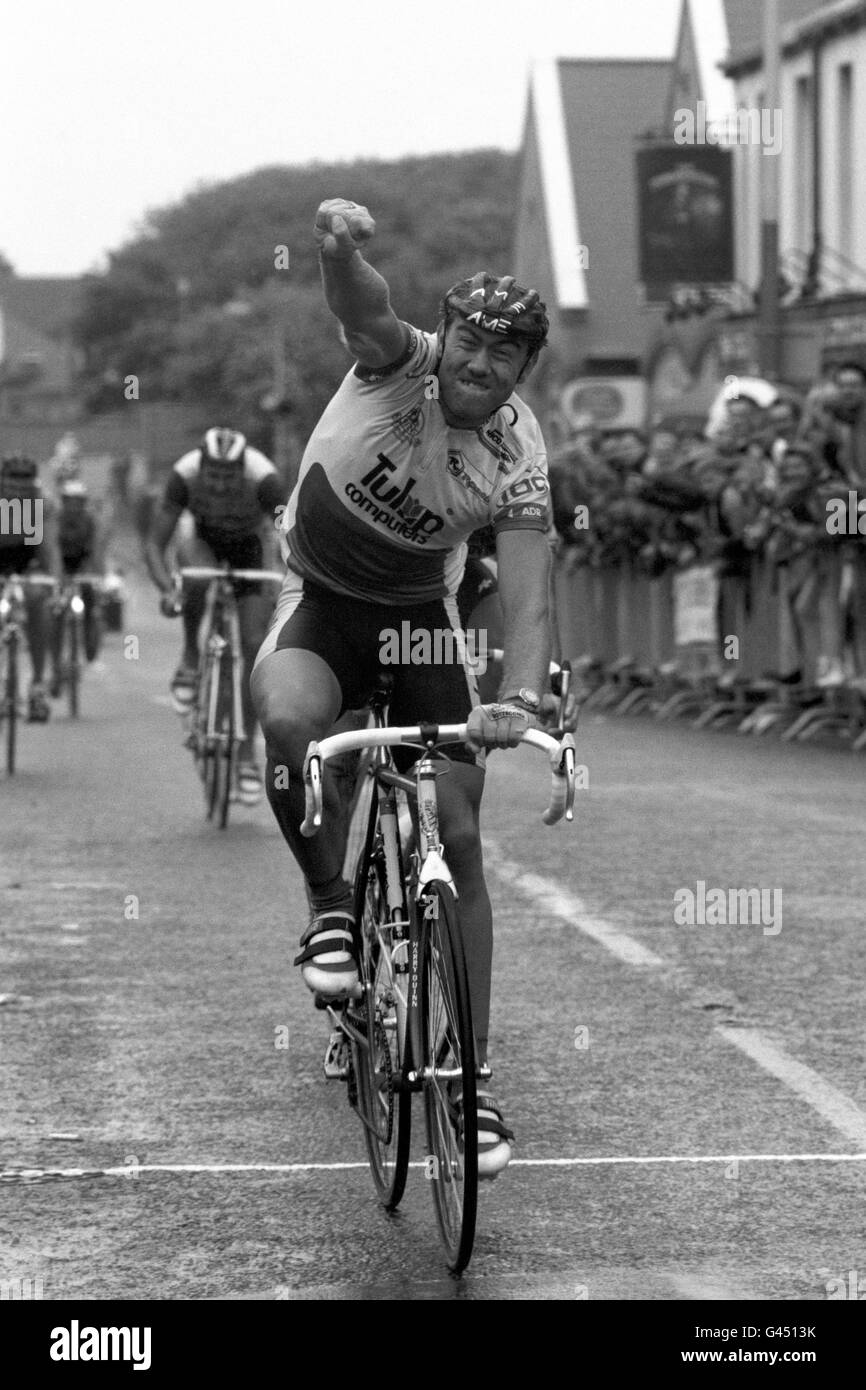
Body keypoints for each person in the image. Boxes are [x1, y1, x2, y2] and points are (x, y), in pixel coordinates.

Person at [251, 197, 560, 1178]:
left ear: (520, 369)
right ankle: (331, 903)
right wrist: (337, 252)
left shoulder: (519, 452)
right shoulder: (400, 362)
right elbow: (363, 309)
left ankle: (465, 1079)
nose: (476, 362)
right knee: (293, 722)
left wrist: (515, 695)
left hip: (418, 627)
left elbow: (525, 597)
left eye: (499, 354)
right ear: (450, 337)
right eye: (467, 340)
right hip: (322, 605)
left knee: (460, 832)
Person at [145, 427, 285, 805]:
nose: (221, 485)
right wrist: (168, 589)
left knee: (256, 644)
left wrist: (287, 590)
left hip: (250, 548)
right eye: (213, 476)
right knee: (196, 579)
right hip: (202, 542)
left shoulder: (266, 479)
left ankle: (244, 757)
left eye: (229, 476)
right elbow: (155, 546)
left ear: (242, 471)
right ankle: (191, 654)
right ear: (200, 468)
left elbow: (291, 542)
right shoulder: (182, 475)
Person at [0, 455, 62, 720]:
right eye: (14, 484)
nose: (19, 491)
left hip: (29, 562)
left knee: (39, 601)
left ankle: (37, 684)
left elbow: (50, 548)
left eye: (25, 484)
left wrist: (55, 584)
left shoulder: (42, 503)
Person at [49, 477, 105, 688]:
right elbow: (52, 546)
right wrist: (56, 575)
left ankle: (90, 645)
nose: (74, 506)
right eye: (70, 501)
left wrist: (97, 574)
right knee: (56, 611)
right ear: (63, 502)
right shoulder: (56, 519)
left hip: (83, 566)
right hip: (61, 567)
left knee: (91, 598)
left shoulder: (90, 520)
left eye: (78, 501)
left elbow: (97, 549)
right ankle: (55, 663)